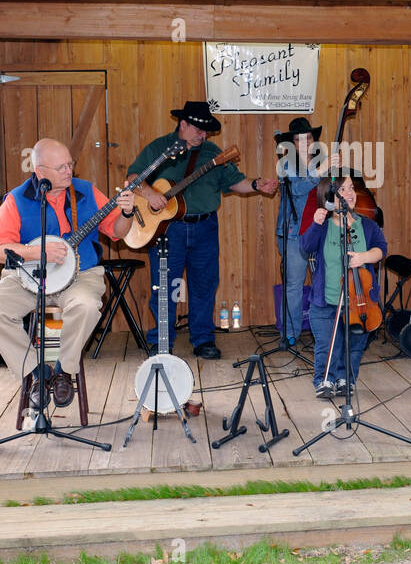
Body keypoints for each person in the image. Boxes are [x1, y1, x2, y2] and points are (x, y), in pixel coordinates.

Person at [0, 137, 135, 420]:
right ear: (40, 172)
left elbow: (119, 232)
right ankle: (36, 373)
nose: (68, 171)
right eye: (61, 166)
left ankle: (64, 370)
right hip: (28, 277)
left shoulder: (86, 192)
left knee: (86, 306)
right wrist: (33, 252)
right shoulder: (16, 200)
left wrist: (127, 211)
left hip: (81, 275)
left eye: (70, 164)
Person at [128, 101, 278, 359]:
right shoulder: (158, 148)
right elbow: (132, 179)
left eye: (206, 131)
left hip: (205, 227)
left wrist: (256, 184)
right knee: (163, 286)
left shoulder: (212, 152)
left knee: (204, 285)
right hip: (167, 229)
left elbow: (234, 183)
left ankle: (203, 339)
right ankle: (161, 341)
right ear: (183, 124)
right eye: (199, 129)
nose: (203, 135)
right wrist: (150, 193)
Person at [299, 175, 387, 398]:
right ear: (329, 197)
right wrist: (316, 224)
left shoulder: (367, 225)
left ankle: (345, 379)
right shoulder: (323, 226)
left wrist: (363, 257)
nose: (350, 194)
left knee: (354, 346)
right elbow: (306, 247)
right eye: (343, 189)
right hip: (326, 300)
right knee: (327, 345)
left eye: (351, 188)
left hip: (360, 301)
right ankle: (324, 380)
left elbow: (381, 249)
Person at [274, 116, 339, 347]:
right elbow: (298, 189)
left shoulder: (321, 161)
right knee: (294, 284)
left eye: (308, 137)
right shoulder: (287, 164)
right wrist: (322, 170)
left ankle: (328, 331)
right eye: (298, 139)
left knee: (327, 280)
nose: (304, 142)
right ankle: (290, 333)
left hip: (321, 229)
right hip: (295, 233)